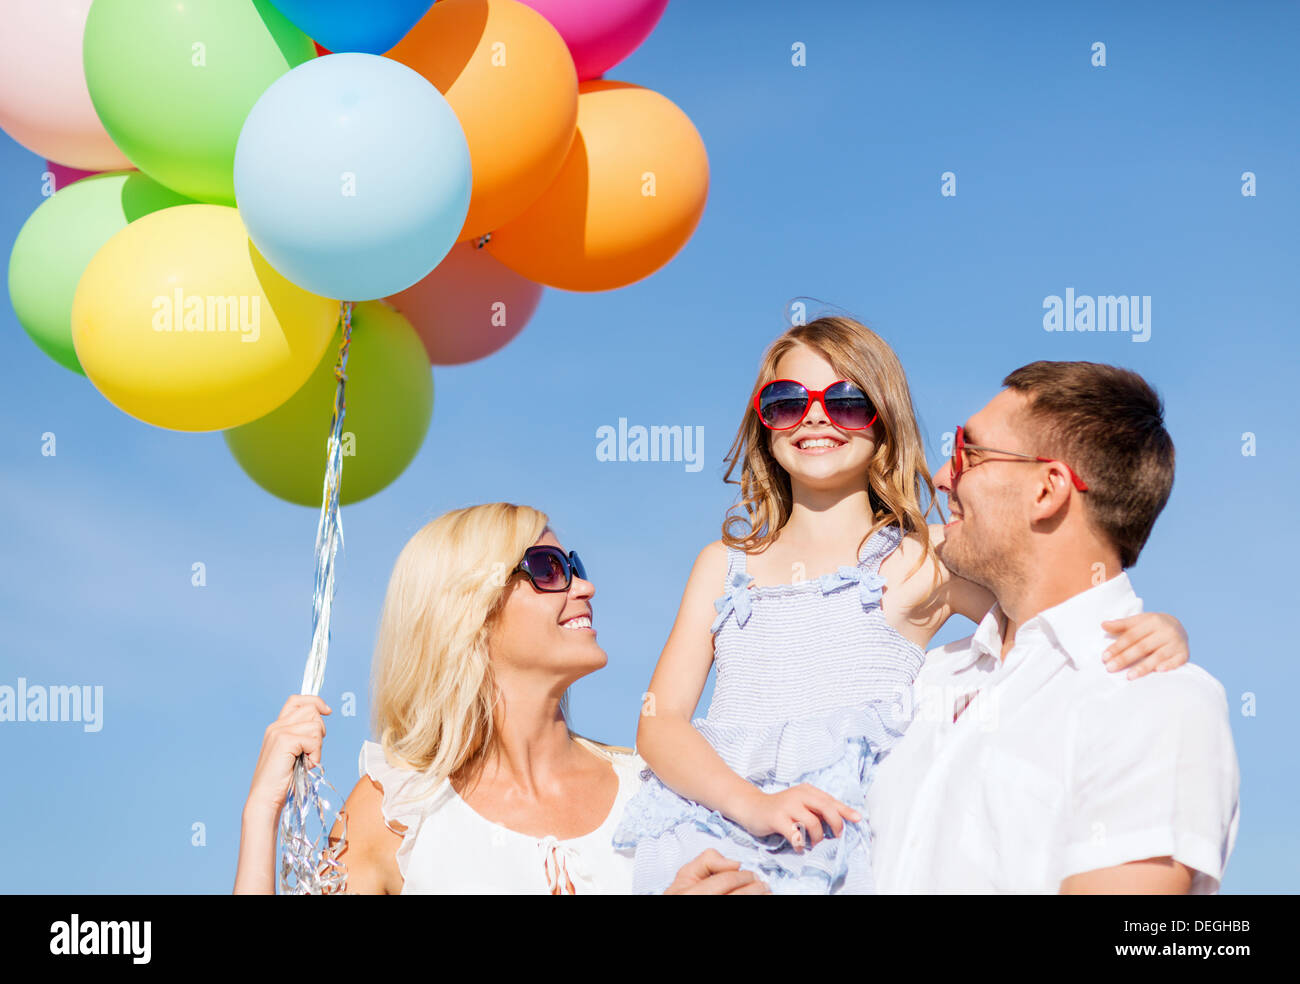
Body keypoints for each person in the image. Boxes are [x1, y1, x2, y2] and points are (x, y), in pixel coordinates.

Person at [613, 317, 1192, 894]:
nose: (815, 415)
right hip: (715, 822)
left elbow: (1048, 612)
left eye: (845, 401)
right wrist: (754, 804)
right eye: (787, 400)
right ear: (763, 424)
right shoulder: (723, 564)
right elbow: (660, 720)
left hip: (833, 838)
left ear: (885, 419)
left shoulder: (926, 558)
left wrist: (1154, 627)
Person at [233, 503, 768, 895]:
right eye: (547, 569)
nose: (585, 588)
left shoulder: (655, 791)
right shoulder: (397, 808)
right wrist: (261, 813)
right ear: (470, 612)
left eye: (574, 566)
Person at [866, 361, 1240, 893]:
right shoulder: (927, 677)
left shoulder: (1156, 700)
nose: (941, 475)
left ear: (1047, 490)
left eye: (967, 452)